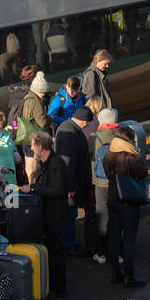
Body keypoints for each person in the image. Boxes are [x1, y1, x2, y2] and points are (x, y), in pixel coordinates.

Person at [21, 132, 69, 297]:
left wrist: (33, 188)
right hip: (49, 214)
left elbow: (56, 190)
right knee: (52, 249)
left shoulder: (55, 163)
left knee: (55, 251)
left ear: (40, 147)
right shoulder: (46, 162)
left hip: (54, 216)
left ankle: (59, 286)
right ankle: (54, 284)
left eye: (33, 145)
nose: (32, 148)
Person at [103, 125, 147, 288]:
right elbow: (144, 173)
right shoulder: (131, 156)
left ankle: (116, 273)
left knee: (113, 238)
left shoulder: (109, 155)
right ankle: (129, 276)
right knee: (129, 239)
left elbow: (108, 175)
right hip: (129, 202)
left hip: (112, 200)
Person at [53, 105, 93, 257]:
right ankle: (68, 245)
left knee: (70, 214)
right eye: (87, 122)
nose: (88, 125)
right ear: (81, 120)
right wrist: (69, 187)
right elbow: (67, 163)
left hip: (71, 183)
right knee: (70, 214)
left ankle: (68, 243)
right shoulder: (70, 132)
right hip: (70, 185)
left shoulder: (68, 127)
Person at [88, 107, 122, 264]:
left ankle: (101, 253)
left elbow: (90, 158)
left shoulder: (94, 137)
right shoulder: (122, 135)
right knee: (118, 216)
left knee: (102, 216)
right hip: (119, 182)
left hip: (100, 183)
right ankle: (119, 253)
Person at [17, 70, 52, 179]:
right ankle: (33, 187)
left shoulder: (27, 97)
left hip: (25, 137)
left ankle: (29, 183)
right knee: (34, 167)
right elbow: (42, 122)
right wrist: (50, 118)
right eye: (43, 92)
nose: (44, 95)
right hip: (33, 138)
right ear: (39, 90)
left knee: (28, 163)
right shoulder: (36, 102)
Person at [0, 109, 22, 186]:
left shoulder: (7, 134)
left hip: (11, 173)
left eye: (0, 125)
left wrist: (16, 155)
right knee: (4, 197)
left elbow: (14, 148)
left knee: (13, 197)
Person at [81, 50, 115, 118]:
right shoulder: (90, 74)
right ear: (98, 61)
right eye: (105, 64)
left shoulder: (101, 73)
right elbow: (89, 98)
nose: (107, 66)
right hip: (100, 114)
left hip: (104, 112)